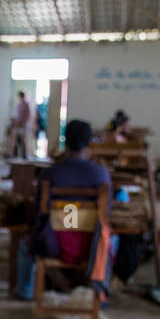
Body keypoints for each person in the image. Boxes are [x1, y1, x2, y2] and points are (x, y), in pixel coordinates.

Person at [14, 118, 114, 300]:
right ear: (89, 143)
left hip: (53, 245)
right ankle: (99, 290)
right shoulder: (101, 174)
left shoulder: (50, 174)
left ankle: (25, 292)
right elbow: (107, 214)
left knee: (24, 245)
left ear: (65, 142)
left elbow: (39, 213)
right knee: (112, 240)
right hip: (90, 247)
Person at [12, 90, 32, 157]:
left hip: (24, 124)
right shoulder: (19, 104)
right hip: (18, 124)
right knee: (15, 138)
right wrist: (16, 121)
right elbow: (18, 115)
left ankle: (24, 154)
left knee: (23, 139)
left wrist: (23, 122)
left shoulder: (26, 104)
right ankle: (15, 153)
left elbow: (27, 115)